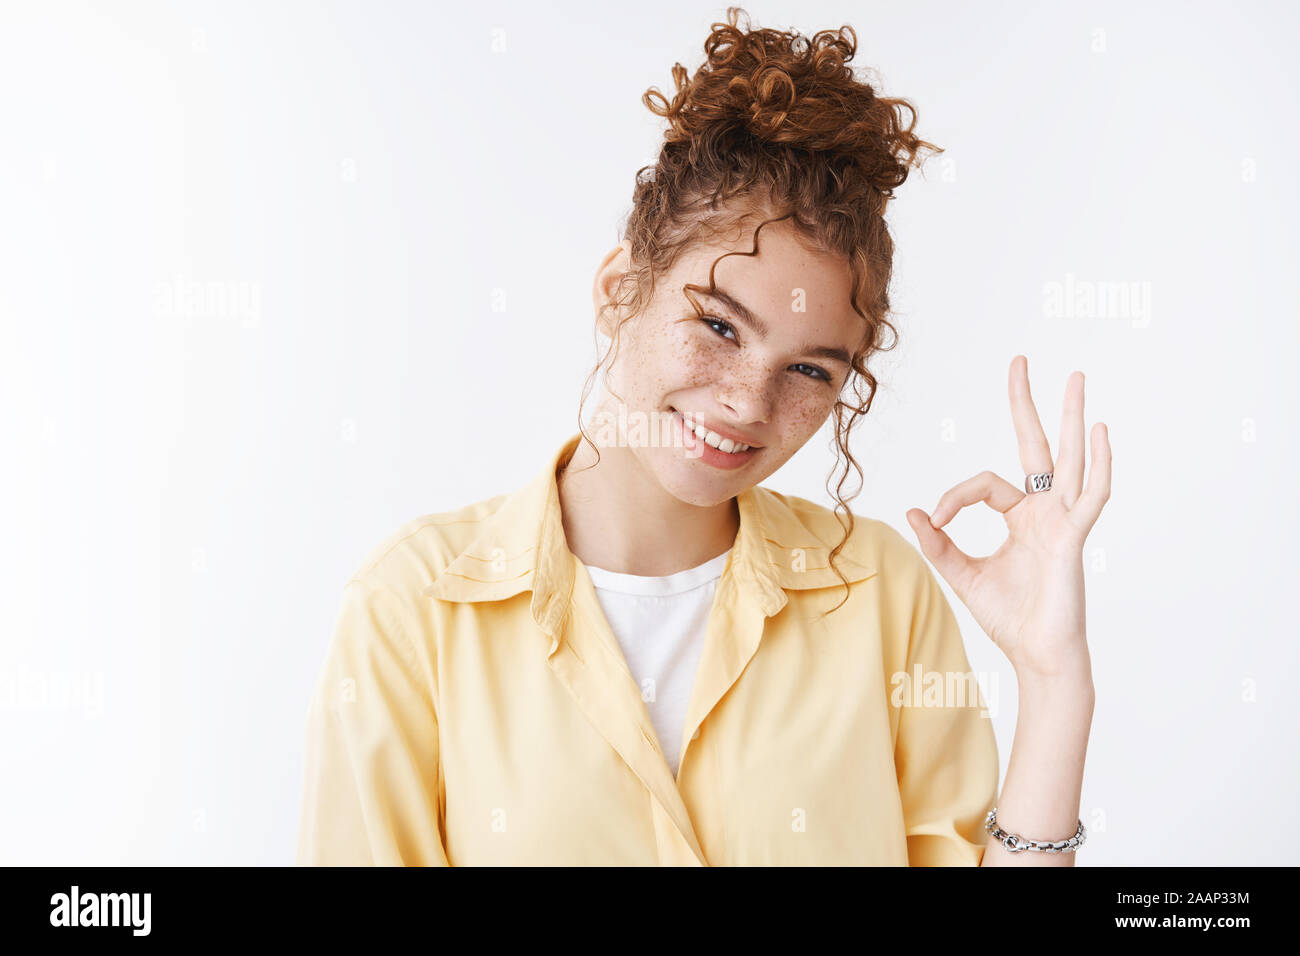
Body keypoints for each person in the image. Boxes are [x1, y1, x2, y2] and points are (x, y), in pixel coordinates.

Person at [295, 7, 1108, 866]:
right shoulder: (411, 612)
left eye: (810, 371)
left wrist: (1053, 684)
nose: (747, 404)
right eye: (719, 326)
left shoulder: (880, 595)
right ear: (620, 291)